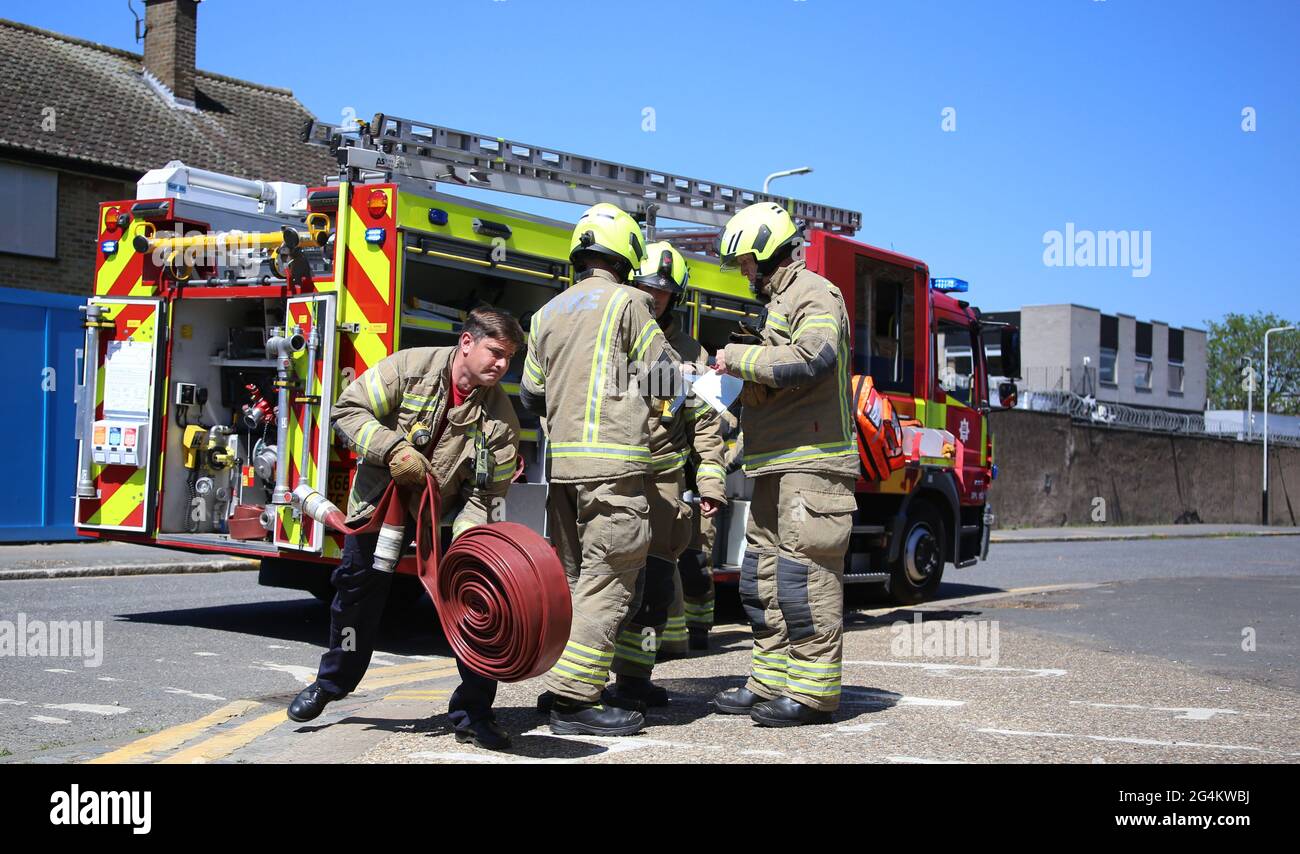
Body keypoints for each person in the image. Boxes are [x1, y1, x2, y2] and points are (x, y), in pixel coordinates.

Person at [287, 308, 524, 751]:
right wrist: (393, 449)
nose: (501, 365)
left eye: (509, 358)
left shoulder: (500, 419)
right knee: (356, 595)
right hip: (380, 505)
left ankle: (474, 712)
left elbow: (488, 492)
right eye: (495, 352)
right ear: (467, 343)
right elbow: (347, 410)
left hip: (448, 518)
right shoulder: (409, 368)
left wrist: (468, 543)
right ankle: (332, 683)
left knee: (476, 607)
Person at [520, 203, 680, 736]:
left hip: (561, 474)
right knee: (609, 580)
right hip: (614, 473)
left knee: (573, 583)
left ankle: (562, 684)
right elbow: (666, 387)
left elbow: (531, 393)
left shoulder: (547, 313)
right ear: (628, 255)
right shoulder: (630, 303)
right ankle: (574, 702)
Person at [709, 203, 856, 727]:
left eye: (748, 261)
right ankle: (770, 680)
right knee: (762, 576)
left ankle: (814, 693)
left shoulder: (814, 293)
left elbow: (816, 355)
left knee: (803, 575)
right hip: (776, 464)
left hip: (813, 463)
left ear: (772, 251)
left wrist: (737, 358)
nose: (745, 271)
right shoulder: (779, 302)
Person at [606, 242, 726, 704]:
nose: (652, 296)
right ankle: (582, 689)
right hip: (613, 479)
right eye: (644, 286)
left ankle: (636, 683)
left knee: (655, 591)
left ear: (674, 296)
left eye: (661, 289)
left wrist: (711, 480)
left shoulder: (690, 352)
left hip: (663, 488)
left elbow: (707, 421)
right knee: (606, 589)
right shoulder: (610, 338)